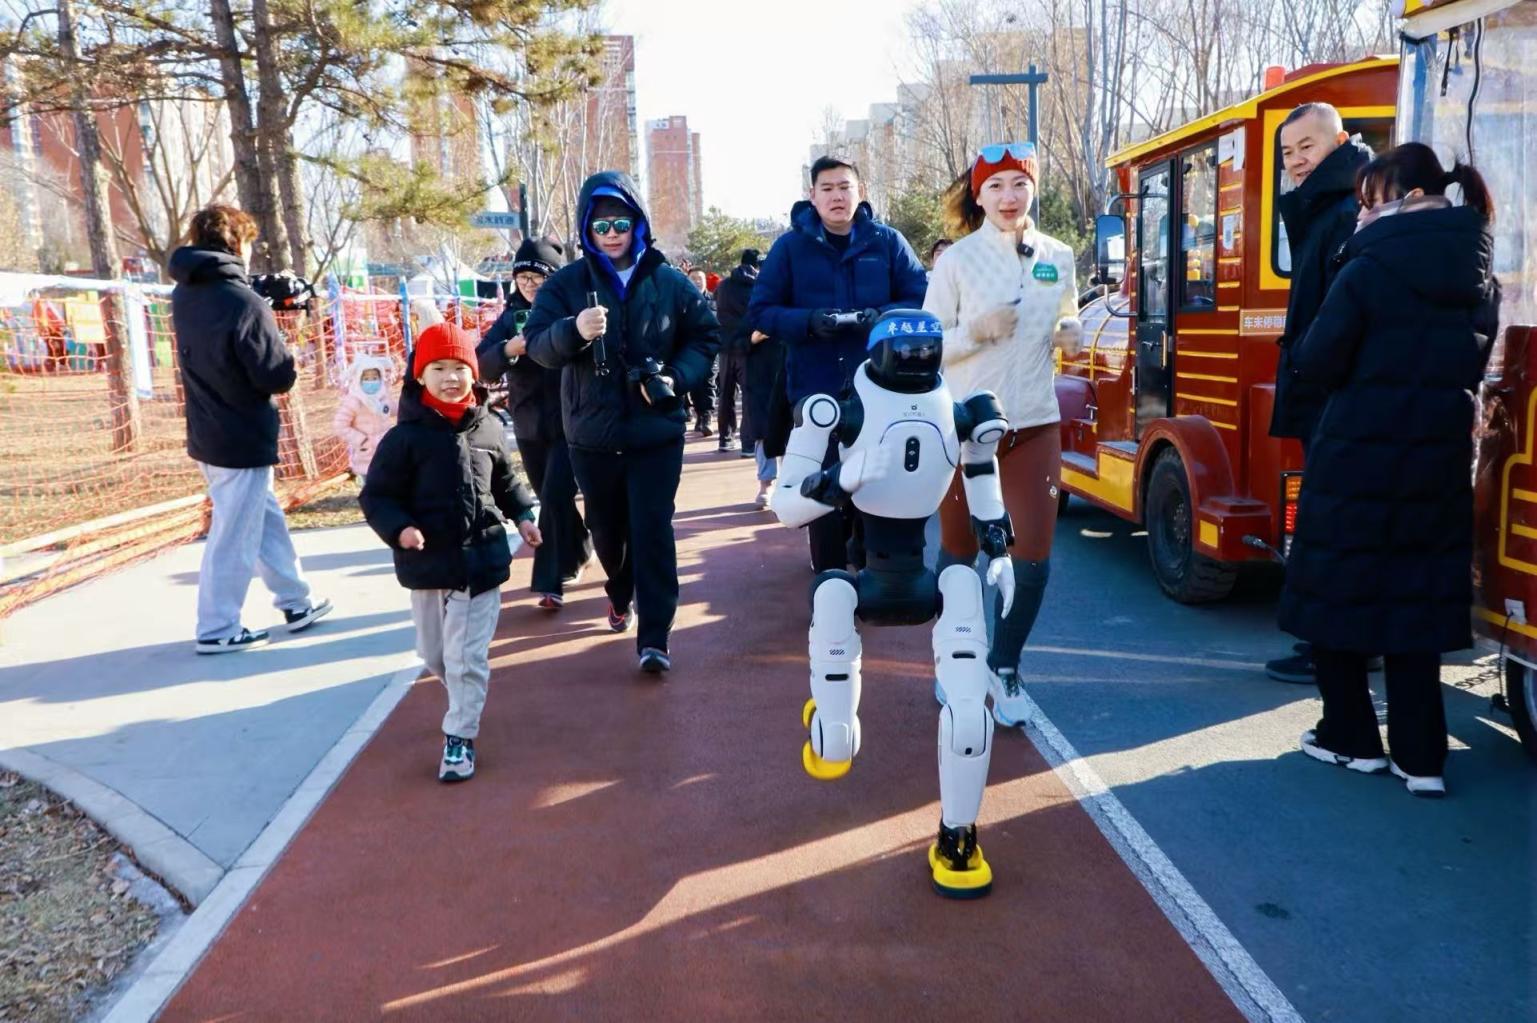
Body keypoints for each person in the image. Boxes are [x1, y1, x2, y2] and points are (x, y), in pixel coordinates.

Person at [771, 307, 1017, 897]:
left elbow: (982, 469)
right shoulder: (832, 410)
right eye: (903, 356)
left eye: (923, 356)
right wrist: (840, 480)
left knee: (969, 712)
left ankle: (958, 836)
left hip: (929, 575)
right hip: (864, 573)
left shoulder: (962, 410)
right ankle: (833, 722)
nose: (914, 365)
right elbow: (785, 507)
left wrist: (999, 546)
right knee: (831, 595)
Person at [1280, 144, 1499, 799]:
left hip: (1356, 454)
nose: (1359, 215)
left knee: (1332, 594)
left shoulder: (1367, 267)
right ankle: (1420, 757)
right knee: (1415, 604)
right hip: (1436, 459)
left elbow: (1316, 358)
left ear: (1401, 198)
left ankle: (1349, 736)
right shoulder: (1477, 270)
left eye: (1367, 201)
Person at [524, 171, 721, 674]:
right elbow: (539, 345)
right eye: (600, 224)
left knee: (653, 528)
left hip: (657, 433)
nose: (611, 233)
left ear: (638, 224)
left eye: (621, 222)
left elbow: (705, 335)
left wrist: (676, 378)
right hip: (591, 436)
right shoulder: (567, 285)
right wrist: (573, 331)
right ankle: (619, 588)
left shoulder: (670, 281)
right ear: (586, 230)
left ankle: (655, 637)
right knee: (608, 530)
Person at [922, 141, 1082, 727]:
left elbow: (1066, 310)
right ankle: (955, 662)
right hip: (967, 426)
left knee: (1033, 557)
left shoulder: (1057, 254)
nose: (1009, 197)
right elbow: (930, 344)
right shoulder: (957, 260)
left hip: (1035, 422)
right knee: (959, 553)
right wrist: (976, 331)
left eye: (1020, 183)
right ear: (978, 195)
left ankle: (1004, 664)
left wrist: (1070, 330)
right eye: (996, 186)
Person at [359, 322, 543, 782]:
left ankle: (459, 736)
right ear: (420, 376)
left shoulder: (490, 429)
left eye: (459, 368)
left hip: (481, 561)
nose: (450, 377)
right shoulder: (403, 439)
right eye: (437, 368)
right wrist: (399, 529)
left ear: (474, 374)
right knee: (435, 656)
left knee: (465, 658)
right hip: (427, 564)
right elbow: (378, 496)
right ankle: (464, 695)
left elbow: (507, 483)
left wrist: (523, 515)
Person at [749, 155, 929, 571]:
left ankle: (871, 565)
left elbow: (920, 296)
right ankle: (828, 578)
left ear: (860, 192)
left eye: (844, 187)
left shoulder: (887, 241)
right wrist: (809, 322)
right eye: (826, 189)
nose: (836, 196)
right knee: (823, 485)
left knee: (876, 479)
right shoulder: (789, 248)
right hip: (816, 389)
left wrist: (880, 315)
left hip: (880, 389)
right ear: (812, 196)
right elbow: (761, 311)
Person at [171, 204, 331, 654]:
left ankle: (296, 600)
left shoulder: (185, 294)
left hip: (208, 428)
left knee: (262, 517)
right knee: (234, 533)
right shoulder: (244, 302)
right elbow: (275, 376)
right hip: (239, 432)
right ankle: (218, 625)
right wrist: (284, 340)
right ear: (236, 243)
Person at [1265, 103, 1374, 685]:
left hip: (1336, 394)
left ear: (1342, 141)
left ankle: (1333, 646)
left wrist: (1310, 362)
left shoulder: (1344, 211)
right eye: (1288, 153)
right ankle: (1339, 640)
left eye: (1308, 146)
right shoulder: (1323, 208)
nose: (1298, 161)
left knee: (1333, 521)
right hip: (1331, 390)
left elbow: (1341, 315)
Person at [476, 237, 594, 611]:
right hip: (528, 425)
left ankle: (549, 579)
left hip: (571, 421)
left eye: (538, 276)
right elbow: (481, 364)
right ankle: (580, 547)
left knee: (556, 496)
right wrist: (509, 350)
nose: (530, 284)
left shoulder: (571, 310)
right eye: (523, 276)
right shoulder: (510, 317)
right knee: (552, 497)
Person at [712, 256, 753, 456]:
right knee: (749, 396)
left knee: (725, 395)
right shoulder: (756, 285)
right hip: (748, 347)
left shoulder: (723, 286)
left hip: (725, 347)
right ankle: (748, 443)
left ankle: (725, 439)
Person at [332, 355, 396, 479]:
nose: (371, 382)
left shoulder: (383, 396)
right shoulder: (354, 401)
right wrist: (362, 440)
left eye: (374, 378)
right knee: (371, 491)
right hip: (366, 457)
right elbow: (340, 425)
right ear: (358, 380)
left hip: (387, 452)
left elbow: (394, 410)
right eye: (366, 378)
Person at [684, 267, 718, 438]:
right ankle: (699, 413)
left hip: (711, 349)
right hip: (690, 350)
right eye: (694, 278)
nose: (697, 281)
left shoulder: (714, 300)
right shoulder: (682, 300)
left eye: (700, 278)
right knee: (695, 384)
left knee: (709, 382)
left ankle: (707, 416)